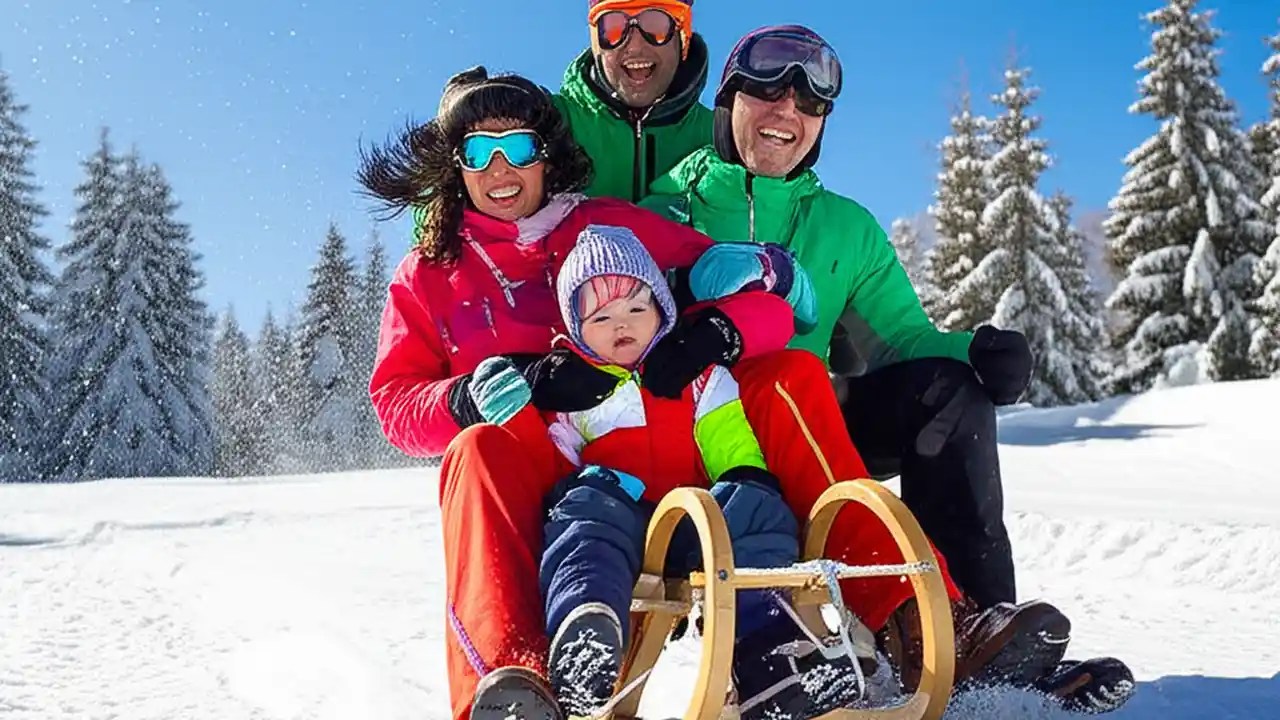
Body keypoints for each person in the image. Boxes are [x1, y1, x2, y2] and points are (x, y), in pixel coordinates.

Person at [358, 67, 922, 720]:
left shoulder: (604, 229)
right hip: (546, 479)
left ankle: (899, 610)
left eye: (518, 147)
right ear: (457, 167)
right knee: (476, 449)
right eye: (481, 152)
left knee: (788, 376)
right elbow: (397, 406)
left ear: (547, 154)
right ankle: (511, 679)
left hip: (667, 452)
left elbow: (764, 303)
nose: (500, 169)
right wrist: (462, 399)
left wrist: (715, 333)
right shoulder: (430, 272)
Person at [642, 24, 1136, 714]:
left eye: (810, 106)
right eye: (768, 93)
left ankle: (982, 630)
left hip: (810, 417)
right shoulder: (664, 208)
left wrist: (977, 354)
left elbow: (900, 338)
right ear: (728, 100)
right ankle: (918, 618)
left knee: (947, 392)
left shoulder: (846, 227)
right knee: (789, 372)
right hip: (707, 431)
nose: (789, 113)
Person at [468, 223, 860, 720]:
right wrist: (521, 419)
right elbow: (554, 470)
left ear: (662, 312)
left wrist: (745, 485)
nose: (622, 324)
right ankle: (587, 633)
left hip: (695, 522)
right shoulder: (575, 396)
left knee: (759, 508)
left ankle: (769, 654)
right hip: (618, 518)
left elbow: (731, 445)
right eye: (602, 316)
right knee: (581, 518)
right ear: (575, 329)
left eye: (637, 308)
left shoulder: (697, 377)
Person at [553, 0, 712, 201]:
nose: (636, 46)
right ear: (596, 43)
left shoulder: (729, 141)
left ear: (682, 37)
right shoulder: (548, 128)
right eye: (614, 28)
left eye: (656, 24)